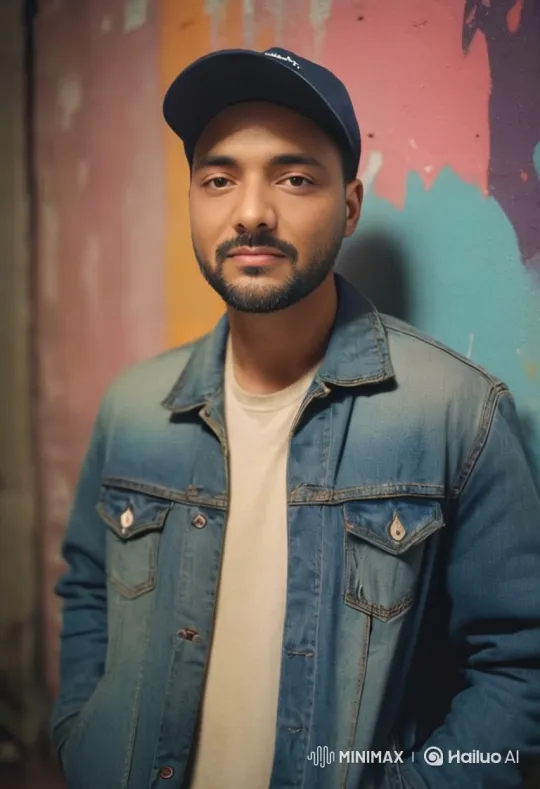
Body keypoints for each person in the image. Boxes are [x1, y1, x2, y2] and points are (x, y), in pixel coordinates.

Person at [51, 47, 540, 789]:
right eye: (219, 178)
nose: (250, 211)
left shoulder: (457, 413)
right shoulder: (133, 409)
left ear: (348, 205)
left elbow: (519, 658)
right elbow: (88, 589)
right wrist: (80, 737)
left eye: (295, 177)